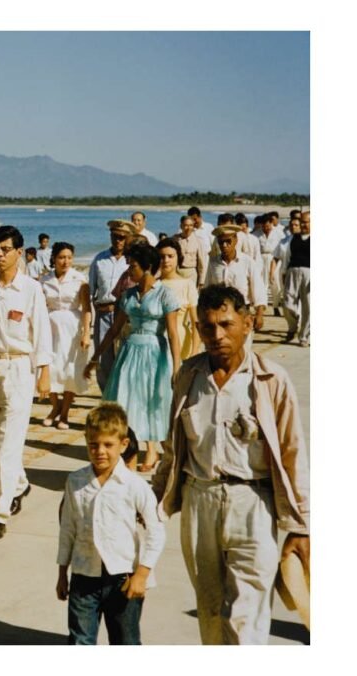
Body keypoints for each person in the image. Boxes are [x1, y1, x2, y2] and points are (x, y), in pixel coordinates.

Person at [152, 284, 310, 644]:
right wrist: (152, 501)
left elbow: (293, 453)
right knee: (209, 613)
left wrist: (302, 526)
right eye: (208, 327)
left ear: (247, 323)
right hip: (199, 501)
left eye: (226, 324)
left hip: (253, 504)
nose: (217, 335)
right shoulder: (188, 376)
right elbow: (173, 447)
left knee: (245, 619)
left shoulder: (271, 380)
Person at [56, 403, 165, 645]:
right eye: (93, 445)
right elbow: (68, 528)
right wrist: (62, 573)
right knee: (80, 640)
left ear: (123, 445)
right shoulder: (75, 481)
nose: (100, 451)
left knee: (125, 640)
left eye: (108, 445)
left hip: (123, 577)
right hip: (84, 575)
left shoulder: (134, 485)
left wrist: (142, 574)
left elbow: (156, 532)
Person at [0, 225, 51, 541]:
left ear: (19, 252)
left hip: (18, 368)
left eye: (6, 249)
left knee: (8, 446)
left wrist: (44, 371)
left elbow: (42, 331)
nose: (0, 255)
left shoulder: (31, 290)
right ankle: (19, 484)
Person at [86, 241, 181, 472]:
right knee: (126, 401)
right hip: (129, 354)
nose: (129, 270)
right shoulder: (128, 295)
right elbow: (114, 329)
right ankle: (129, 454)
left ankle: (154, 450)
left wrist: (177, 366)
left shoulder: (165, 294)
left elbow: (173, 334)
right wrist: (95, 357)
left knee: (152, 401)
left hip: (155, 355)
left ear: (147, 267)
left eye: (133, 265)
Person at [40, 242, 91, 430]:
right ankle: (55, 407)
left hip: (73, 328)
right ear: (54, 259)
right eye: (61, 257)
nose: (66, 261)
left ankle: (65, 413)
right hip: (50, 326)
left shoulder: (80, 279)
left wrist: (87, 333)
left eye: (69, 257)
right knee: (50, 367)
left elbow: (86, 308)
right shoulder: (44, 280)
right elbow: (39, 306)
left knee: (71, 370)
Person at [205, 224, 267, 346]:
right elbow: (208, 289)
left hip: (241, 311)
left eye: (228, 241)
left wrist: (259, 314)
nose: (224, 245)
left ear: (235, 240)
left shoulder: (247, 262)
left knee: (244, 348)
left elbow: (258, 289)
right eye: (221, 242)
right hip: (220, 313)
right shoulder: (213, 263)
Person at [87, 220, 132, 391]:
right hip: (104, 314)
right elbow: (91, 290)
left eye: (122, 237)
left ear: (127, 238)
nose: (118, 240)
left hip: (125, 315)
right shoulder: (100, 259)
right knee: (103, 358)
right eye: (115, 236)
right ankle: (106, 394)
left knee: (123, 356)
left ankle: (122, 393)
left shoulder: (131, 260)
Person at [157, 238, 202, 361]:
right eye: (162, 257)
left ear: (178, 257)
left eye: (170, 256)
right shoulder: (153, 285)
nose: (166, 260)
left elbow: (195, 322)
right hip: (156, 344)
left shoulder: (187, 284)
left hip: (182, 344)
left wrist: (194, 352)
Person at [279, 211, 311, 346]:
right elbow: (287, 257)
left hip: (309, 273)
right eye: (301, 222)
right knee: (287, 303)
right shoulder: (293, 238)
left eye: (306, 222)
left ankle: (304, 336)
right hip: (292, 271)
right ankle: (293, 326)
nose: (303, 225)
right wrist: (284, 272)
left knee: (308, 306)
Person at [255, 215, 284, 317]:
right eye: (264, 226)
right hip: (261, 258)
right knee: (262, 284)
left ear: (271, 224)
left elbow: (282, 247)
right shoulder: (257, 234)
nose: (266, 228)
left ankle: (275, 307)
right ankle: (262, 307)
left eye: (268, 226)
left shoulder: (279, 233)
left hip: (275, 259)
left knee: (275, 284)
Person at [172, 214, 206, 287]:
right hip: (177, 272)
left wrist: (201, 281)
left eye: (191, 225)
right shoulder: (174, 239)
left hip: (191, 273)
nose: (188, 228)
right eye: (186, 225)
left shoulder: (198, 241)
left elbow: (201, 263)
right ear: (181, 226)